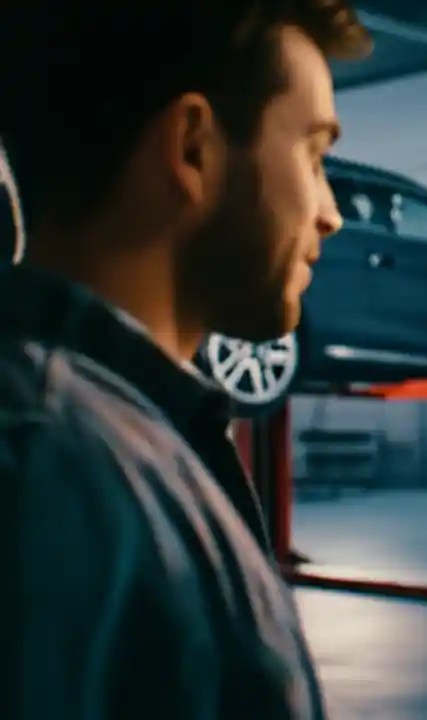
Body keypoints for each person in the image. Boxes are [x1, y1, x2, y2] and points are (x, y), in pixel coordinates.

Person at [0, 2, 370, 718]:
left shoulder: (109, 443)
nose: (330, 213)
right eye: (313, 155)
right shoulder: (50, 471)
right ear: (194, 147)